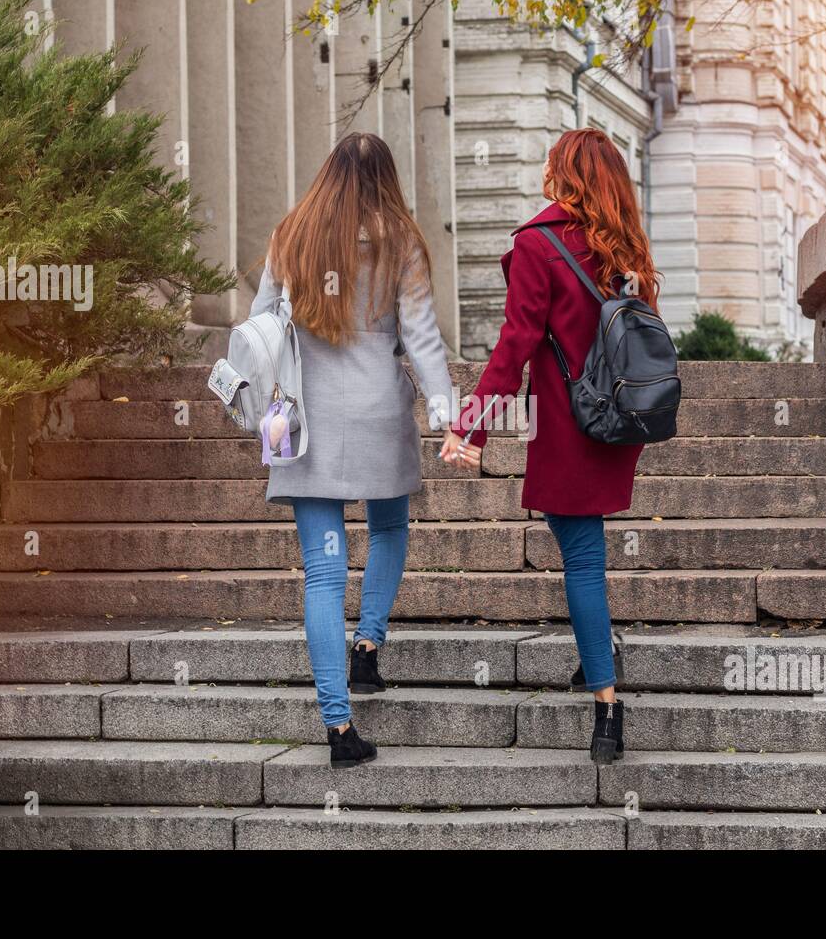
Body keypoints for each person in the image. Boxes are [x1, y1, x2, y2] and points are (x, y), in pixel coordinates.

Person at [443, 127, 660, 763]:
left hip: (569, 424)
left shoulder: (538, 245)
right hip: (624, 418)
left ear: (561, 174)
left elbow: (514, 346)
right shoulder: (626, 247)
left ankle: (607, 708)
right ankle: (600, 653)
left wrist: (469, 424)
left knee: (583, 557)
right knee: (580, 545)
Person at [255, 132, 466, 768]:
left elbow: (263, 323)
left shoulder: (291, 234)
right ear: (385, 178)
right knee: (390, 526)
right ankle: (368, 645)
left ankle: (339, 726)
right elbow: (422, 338)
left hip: (303, 413)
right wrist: (449, 413)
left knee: (322, 571)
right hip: (377, 405)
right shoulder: (399, 238)